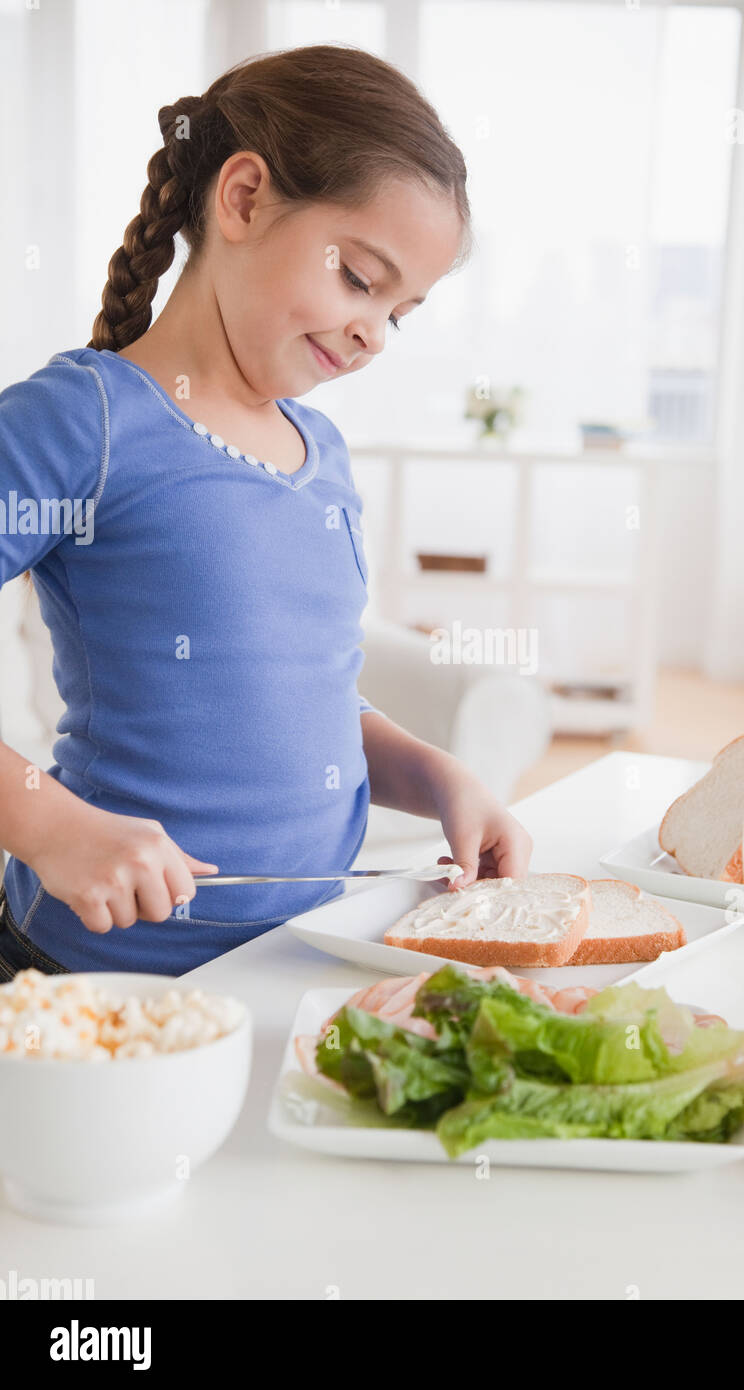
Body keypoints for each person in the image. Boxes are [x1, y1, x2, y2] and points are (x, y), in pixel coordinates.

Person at [0, 44, 532, 979]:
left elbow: (294, 694)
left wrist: (437, 775)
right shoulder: (82, 419)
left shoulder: (320, 456)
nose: (373, 331)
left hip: (299, 959)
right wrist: (49, 825)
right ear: (242, 199)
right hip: (98, 978)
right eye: (361, 280)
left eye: (400, 313)